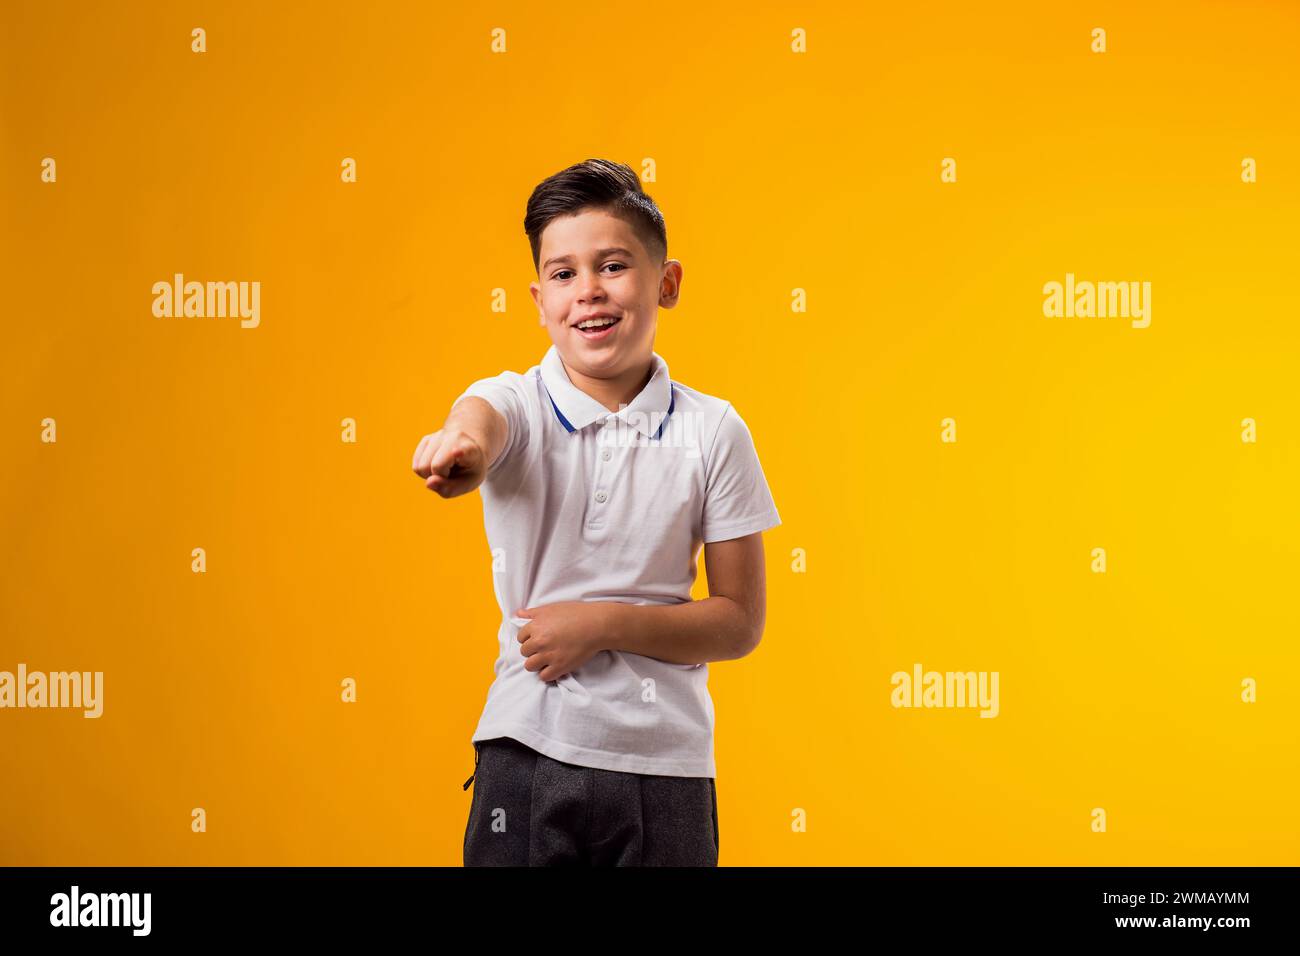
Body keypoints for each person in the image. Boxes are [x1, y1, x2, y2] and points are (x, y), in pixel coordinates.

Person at [411, 158, 781, 866]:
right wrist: (459, 445)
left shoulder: (714, 430)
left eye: (613, 266)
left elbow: (739, 621)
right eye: (563, 274)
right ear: (540, 299)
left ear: (665, 283)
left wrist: (602, 624)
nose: (588, 293)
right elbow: (480, 420)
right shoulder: (518, 402)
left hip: (666, 768)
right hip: (527, 749)